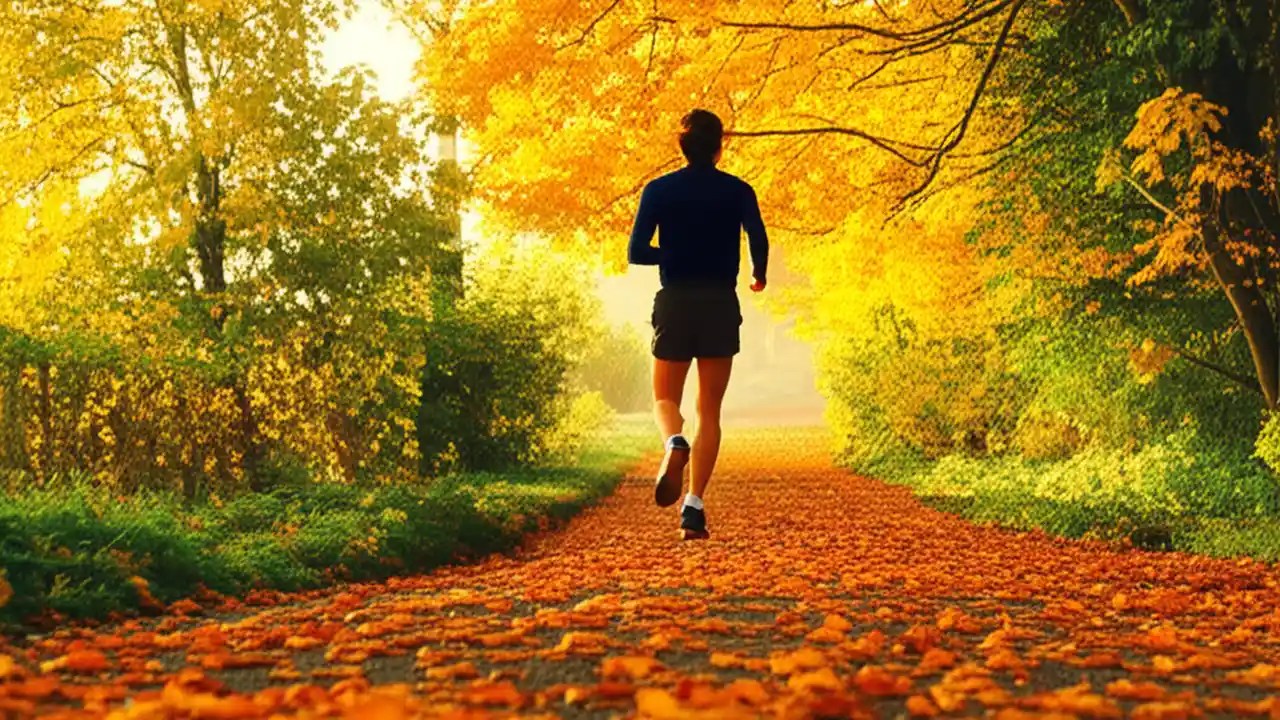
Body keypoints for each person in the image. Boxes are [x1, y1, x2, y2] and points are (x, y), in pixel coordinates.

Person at [627, 109, 769, 541]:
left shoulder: (659, 191)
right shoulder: (739, 191)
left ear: (682, 145)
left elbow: (637, 251)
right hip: (720, 303)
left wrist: (672, 255)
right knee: (710, 408)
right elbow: (758, 236)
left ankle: (674, 443)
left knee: (664, 399)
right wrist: (757, 273)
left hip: (675, 302)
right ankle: (693, 508)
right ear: (719, 145)